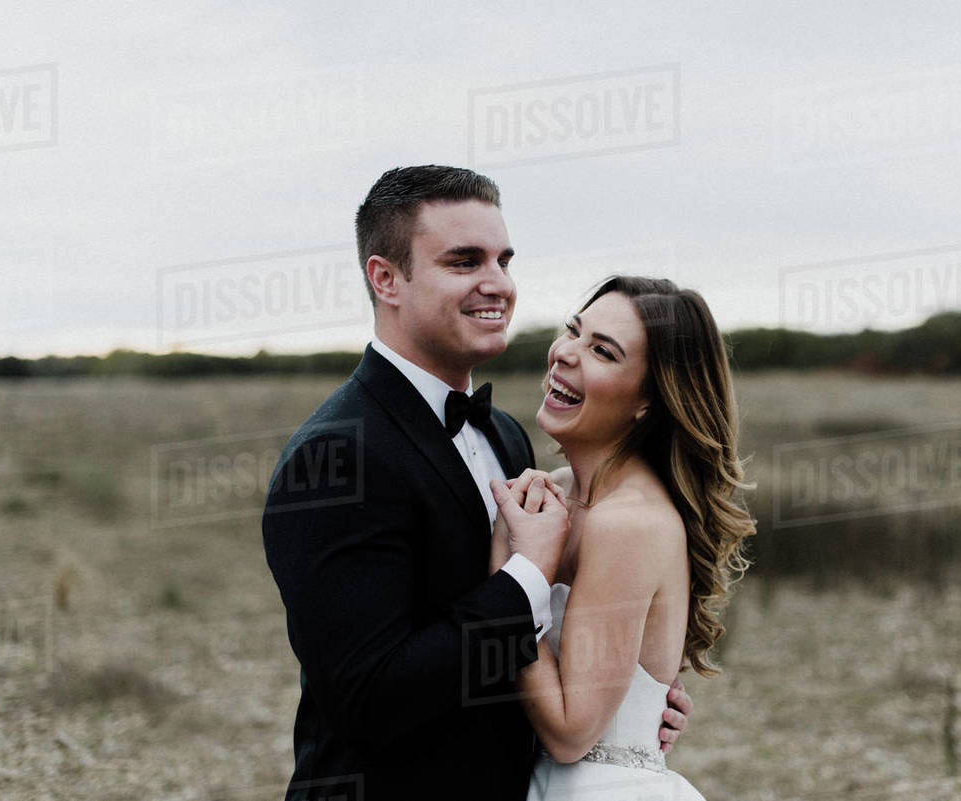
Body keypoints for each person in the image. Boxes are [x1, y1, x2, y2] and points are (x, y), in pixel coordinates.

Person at [261, 166, 692, 801]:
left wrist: (626, 705)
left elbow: (526, 672)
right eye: (464, 262)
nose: (498, 285)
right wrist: (523, 580)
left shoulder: (510, 438)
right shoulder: (334, 457)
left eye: (503, 260)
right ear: (387, 279)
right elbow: (368, 697)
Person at [487, 276, 755, 800]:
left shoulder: (628, 522)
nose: (565, 353)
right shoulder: (554, 494)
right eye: (574, 331)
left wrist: (508, 577)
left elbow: (569, 732)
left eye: (603, 352)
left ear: (649, 402)